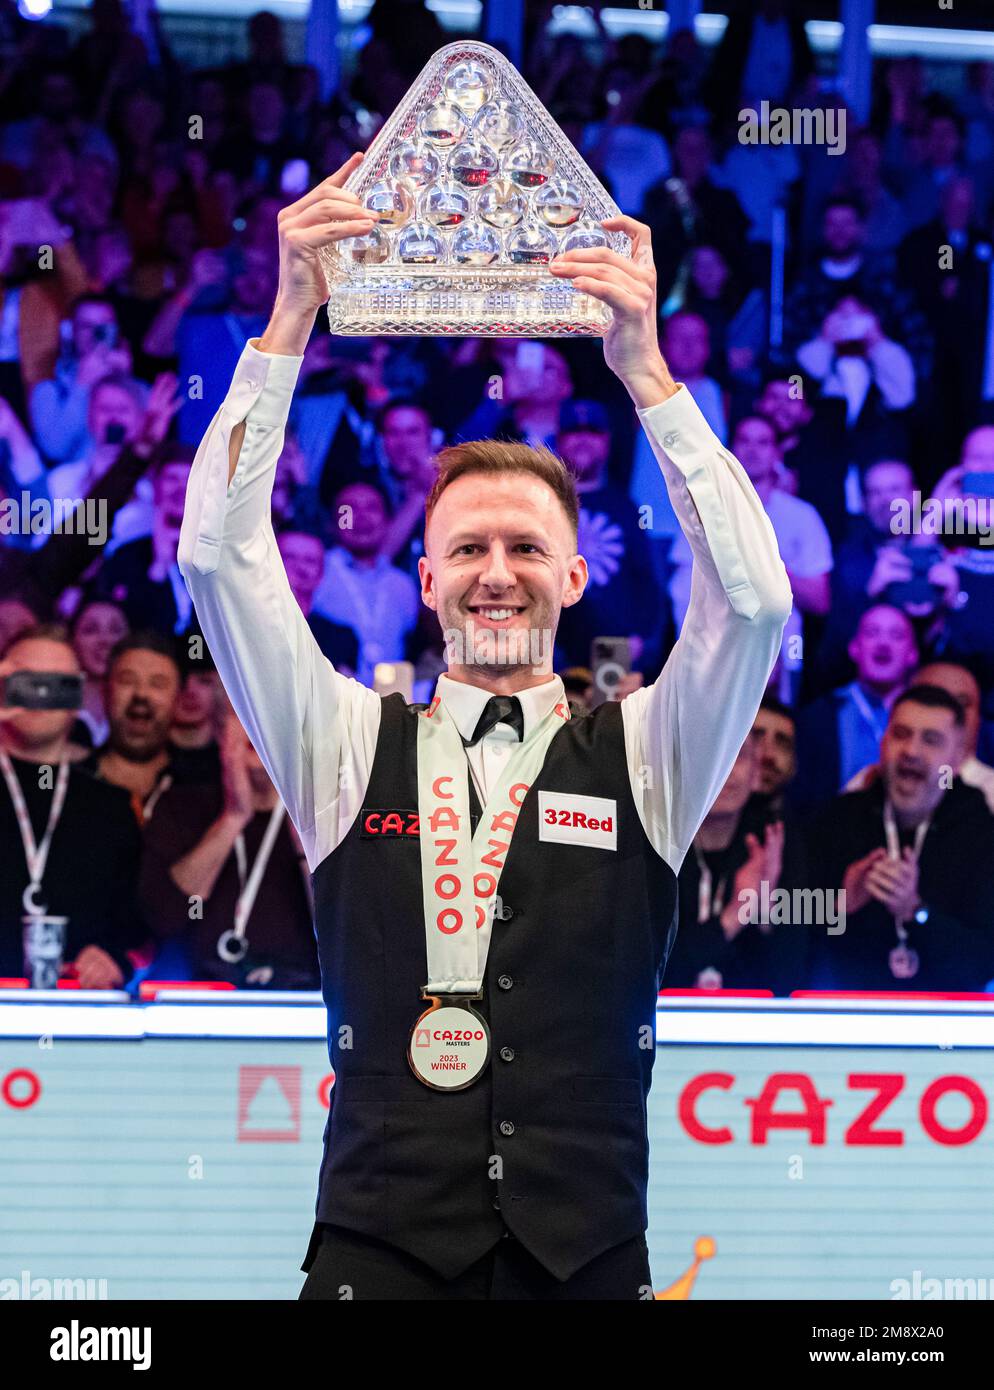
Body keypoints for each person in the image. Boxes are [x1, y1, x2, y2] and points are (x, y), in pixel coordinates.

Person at [178, 155, 791, 1301]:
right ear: (423, 580)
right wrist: (289, 316)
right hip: (378, 1254)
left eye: (521, 548)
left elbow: (754, 604)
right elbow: (214, 557)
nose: (495, 574)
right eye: (466, 549)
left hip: (588, 1256)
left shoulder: (649, 754)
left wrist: (646, 371)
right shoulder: (347, 744)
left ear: (572, 571)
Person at [806, 685, 994, 991]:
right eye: (901, 734)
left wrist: (916, 911)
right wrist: (838, 905)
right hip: (847, 1016)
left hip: (947, 1024)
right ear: (883, 743)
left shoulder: (981, 834)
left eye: (931, 740)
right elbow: (783, 922)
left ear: (958, 759)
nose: (911, 751)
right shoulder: (838, 820)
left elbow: (982, 962)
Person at [0, 625, 142, 987]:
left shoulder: (112, 808)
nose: (41, 694)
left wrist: (115, 961)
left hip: (80, 1015)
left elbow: (138, 933)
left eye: (57, 684)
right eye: (27, 681)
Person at [139, 710, 317, 988]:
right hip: (197, 1002)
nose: (260, 720)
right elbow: (163, 917)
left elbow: (342, 934)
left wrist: (306, 828)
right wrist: (233, 818)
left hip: (302, 1004)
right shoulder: (181, 806)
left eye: (272, 708)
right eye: (243, 704)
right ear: (222, 732)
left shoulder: (326, 816)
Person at [661, 733, 808, 995]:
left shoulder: (776, 842)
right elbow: (649, 970)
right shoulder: (655, 842)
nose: (724, 768)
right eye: (710, 754)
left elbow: (790, 981)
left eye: (737, 755)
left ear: (755, 775)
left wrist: (767, 914)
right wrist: (733, 916)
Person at [793, 603, 918, 814]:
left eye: (896, 635)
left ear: (912, 655)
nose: (883, 643)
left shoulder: (929, 718)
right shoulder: (818, 717)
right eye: (872, 633)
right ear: (855, 648)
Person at [847, 660, 994, 815]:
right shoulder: (868, 783)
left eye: (962, 702)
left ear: (979, 719)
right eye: (934, 699)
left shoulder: (990, 793)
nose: (949, 713)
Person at [81, 629, 182, 820]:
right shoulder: (74, 779)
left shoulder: (201, 784)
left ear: (178, 699)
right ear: (105, 691)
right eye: (127, 681)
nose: (141, 694)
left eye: (157, 684)